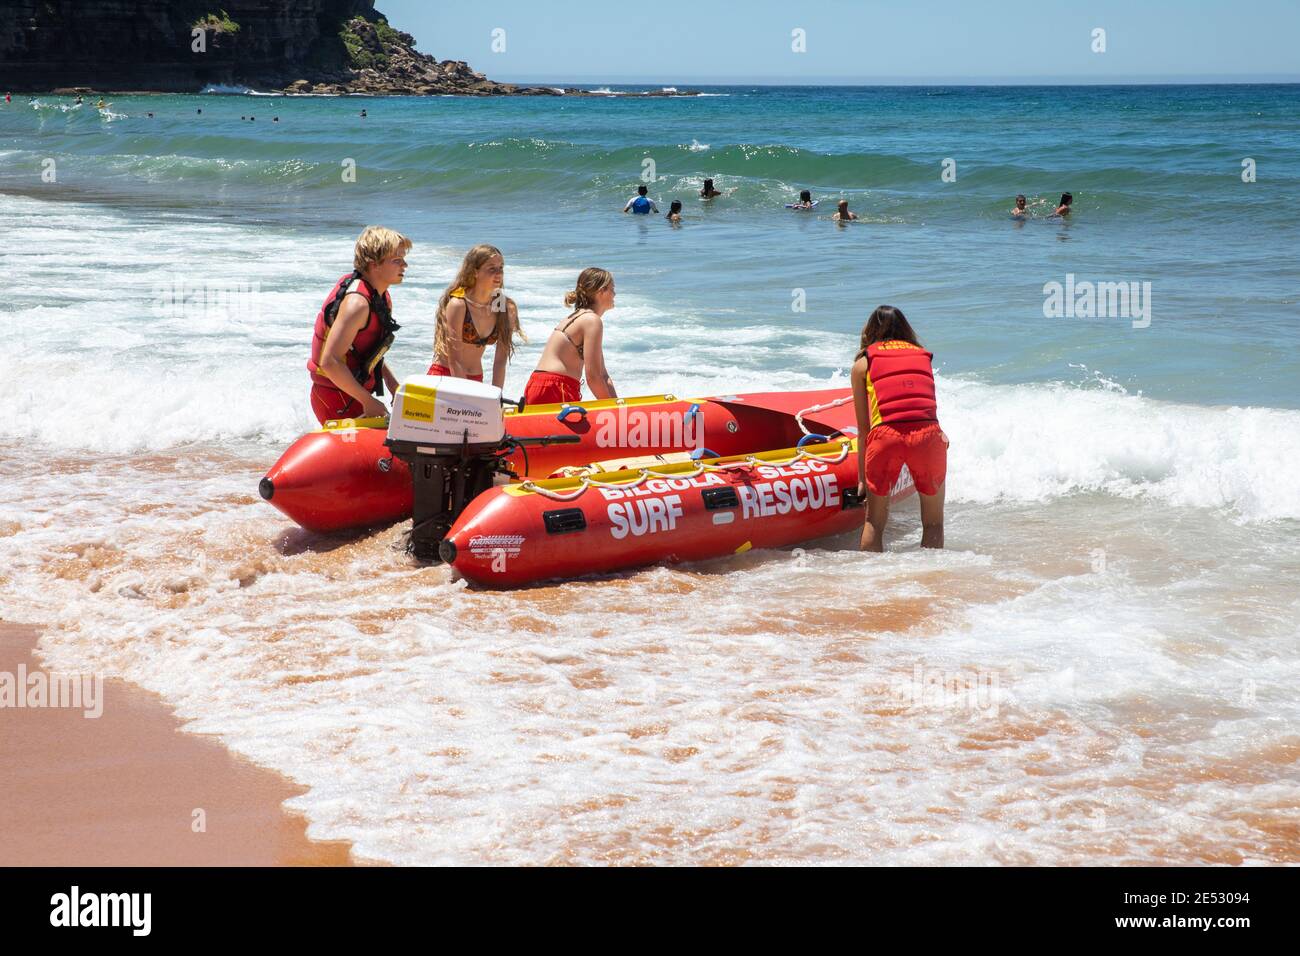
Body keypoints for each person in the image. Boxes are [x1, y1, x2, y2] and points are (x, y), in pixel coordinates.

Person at [850, 305, 947, 552]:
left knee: (874, 522)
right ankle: (933, 583)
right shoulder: (922, 354)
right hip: (928, 435)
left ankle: (871, 583)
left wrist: (862, 479)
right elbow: (922, 402)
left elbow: (864, 428)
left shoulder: (863, 363)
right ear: (905, 328)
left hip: (886, 437)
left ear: (870, 330)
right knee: (934, 523)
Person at [306, 225, 411, 424]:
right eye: (397, 260)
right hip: (336, 397)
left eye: (403, 259)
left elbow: (366, 350)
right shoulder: (357, 304)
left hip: (352, 393)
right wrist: (368, 401)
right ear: (374, 265)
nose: (404, 265)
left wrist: (391, 383)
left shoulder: (380, 296)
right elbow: (330, 362)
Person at [427, 244, 523, 388]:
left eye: (501, 268)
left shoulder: (503, 306)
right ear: (475, 272)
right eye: (492, 269)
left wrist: (497, 396)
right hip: (445, 377)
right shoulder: (459, 304)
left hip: (475, 379)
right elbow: (455, 360)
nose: (499, 274)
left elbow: (500, 361)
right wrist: (467, 395)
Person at [523, 268, 617, 405]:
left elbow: (603, 375)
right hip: (555, 387)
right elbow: (593, 377)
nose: (615, 294)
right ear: (600, 291)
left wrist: (619, 406)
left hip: (541, 384)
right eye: (612, 288)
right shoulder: (592, 321)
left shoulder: (581, 318)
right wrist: (612, 410)